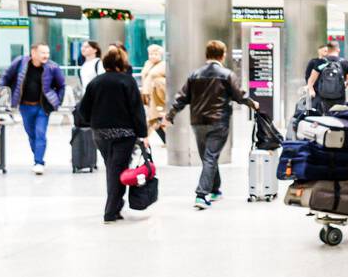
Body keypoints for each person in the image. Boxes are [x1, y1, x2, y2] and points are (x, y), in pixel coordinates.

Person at [162, 40, 258, 210]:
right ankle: (201, 195)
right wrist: (253, 104)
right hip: (218, 122)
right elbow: (239, 96)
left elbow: (182, 98)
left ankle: (215, 189)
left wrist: (170, 116)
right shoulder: (227, 74)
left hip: (198, 122)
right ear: (223, 55)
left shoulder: (194, 75)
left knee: (208, 156)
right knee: (210, 157)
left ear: (206, 54)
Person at [76, 46, 148, 223]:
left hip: (100, 132)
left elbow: (83, 109)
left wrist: (92, 121)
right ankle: (110, 210)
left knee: (113, 168)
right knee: (118, 169)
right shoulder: (127, 81)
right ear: (123, 62)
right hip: (124, 133)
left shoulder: (96, 82)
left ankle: (115, 206)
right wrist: (143, 134)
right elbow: (137, 110)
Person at [0, 42, 68, 175]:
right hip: (25, 106)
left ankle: (39, 162)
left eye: (47, 53)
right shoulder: (20, 63)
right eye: (43, 52)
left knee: (40, 133)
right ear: (33, 53)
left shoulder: (52, 67)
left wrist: (56, 101)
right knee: (31, 134)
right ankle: (37, 157)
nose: (46, 55)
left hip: (43, 107)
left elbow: (61, 85)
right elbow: (6, 77)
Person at [304, 43, 348, 114]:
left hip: (323, 96)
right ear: (338, 50)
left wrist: (311, 90)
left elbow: (311, 80)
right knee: (339, 116)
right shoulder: (344, 62)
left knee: (325, 116)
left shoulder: (321, 62)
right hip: (339, 96)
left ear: (328, 50)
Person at [141, 44, 168, 144]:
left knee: (155, 118)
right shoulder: (147, 64)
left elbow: (168, 81)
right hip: (148, 96)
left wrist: (158, 82)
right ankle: (166, 140)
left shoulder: (164, 65)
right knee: (155, 119)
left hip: (158, 96)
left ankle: (144, 138)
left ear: (160, 54)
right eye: (151, 54)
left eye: (155, 54)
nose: (152, 56)